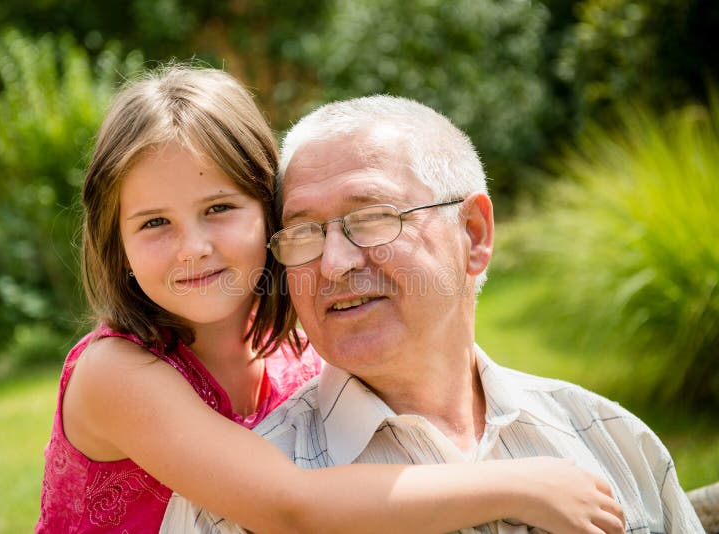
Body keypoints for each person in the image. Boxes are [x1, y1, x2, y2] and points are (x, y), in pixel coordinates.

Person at [36, 65, 626, 533]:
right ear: (115, 241)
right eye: (154, 223)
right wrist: (518, 485)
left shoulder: (301, 344)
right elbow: (293, 507)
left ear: (273, 215)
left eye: (219, 209)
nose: (194, 248)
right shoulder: (116, 374)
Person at [162, 95, 705, 533]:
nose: (333, 263)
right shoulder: (232, 511)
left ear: (473, 234)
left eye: (371, 217)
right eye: (304, 231)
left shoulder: (615, 442)